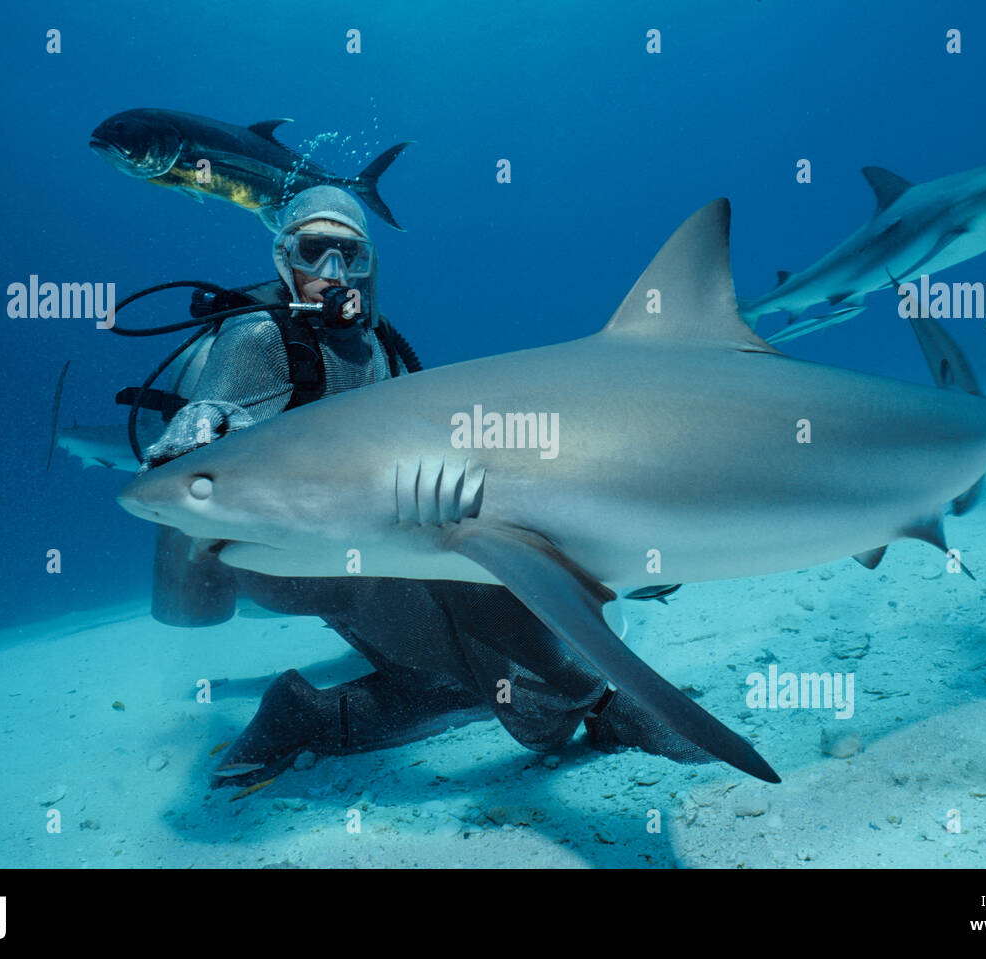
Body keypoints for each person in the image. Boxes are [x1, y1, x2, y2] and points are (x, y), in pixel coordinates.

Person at [138, 186, 708, 785]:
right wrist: (203, 432)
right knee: (466, 651)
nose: (332, 272)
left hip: (380, 534)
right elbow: (226, 407)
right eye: (314, 251)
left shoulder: (377, 341)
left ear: (369, 261)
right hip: (292, 549)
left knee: (472, 592)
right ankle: (306, 716)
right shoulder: (259, 333)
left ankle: (582, 701)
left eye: (349, 255)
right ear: (285, 256)